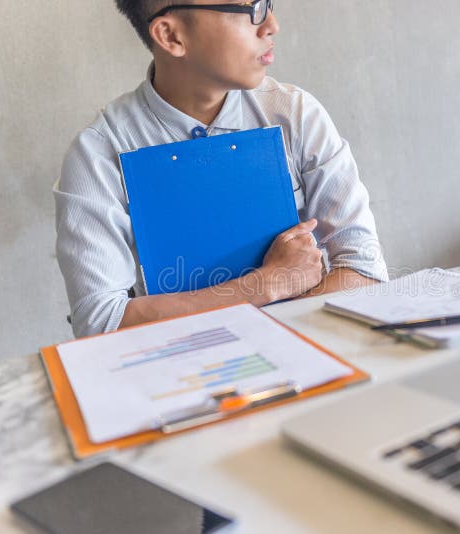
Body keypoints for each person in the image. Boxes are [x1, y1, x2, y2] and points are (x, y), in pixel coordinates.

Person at [55, 0, 389, 338]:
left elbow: (364, 269)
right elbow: (100, 321)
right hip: (180, 362)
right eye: (248, 8)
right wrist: (265, 284)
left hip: (309, 353)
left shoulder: (295, 114)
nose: (271, 25)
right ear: (171, 36)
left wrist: (269, 339)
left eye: (267, 4)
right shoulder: (100, 152)